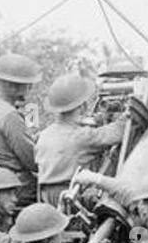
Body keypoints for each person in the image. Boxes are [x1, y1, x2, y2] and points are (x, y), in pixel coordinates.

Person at [34, 74, 126, 204]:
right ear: (82, 107)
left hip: (45, 197)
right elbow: (116, 133)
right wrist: (127, 113)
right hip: (70, 196)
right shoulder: (81, 137)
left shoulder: (44, 135)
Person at [0, 53, 42, 205]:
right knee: (57, 187)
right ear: (12, 85)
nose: (29, 89)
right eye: (27, 85)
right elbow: (33, 161)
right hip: (14, 187)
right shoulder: (8, 115)